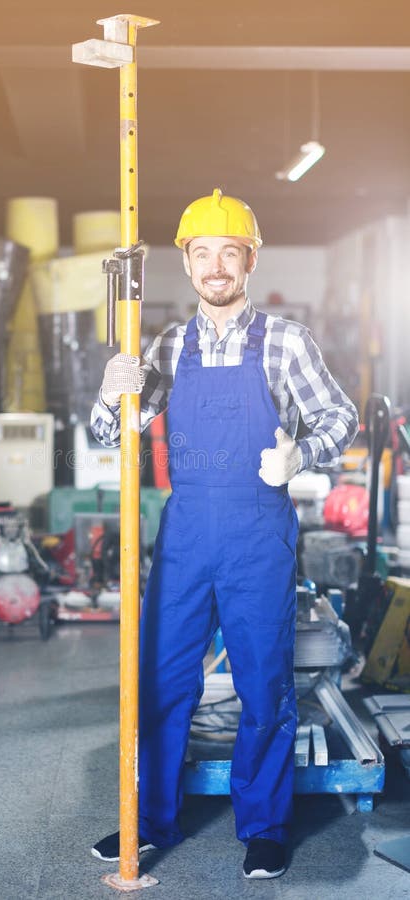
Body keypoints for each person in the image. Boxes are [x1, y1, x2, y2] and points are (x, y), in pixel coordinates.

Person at [89, 189, 359, 879]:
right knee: (159, 680)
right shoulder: (166, 345)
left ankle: (263, 827)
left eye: (228, 252)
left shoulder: (284, 342)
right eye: (201, 252)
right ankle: (145, 822)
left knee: (263, 684)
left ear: (248, 260)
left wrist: (301, 454)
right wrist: (109, 388)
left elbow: (341, 416)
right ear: (185, 264)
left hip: (256, 538)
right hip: (184, 539)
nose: (215, 266)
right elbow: (107, 435)